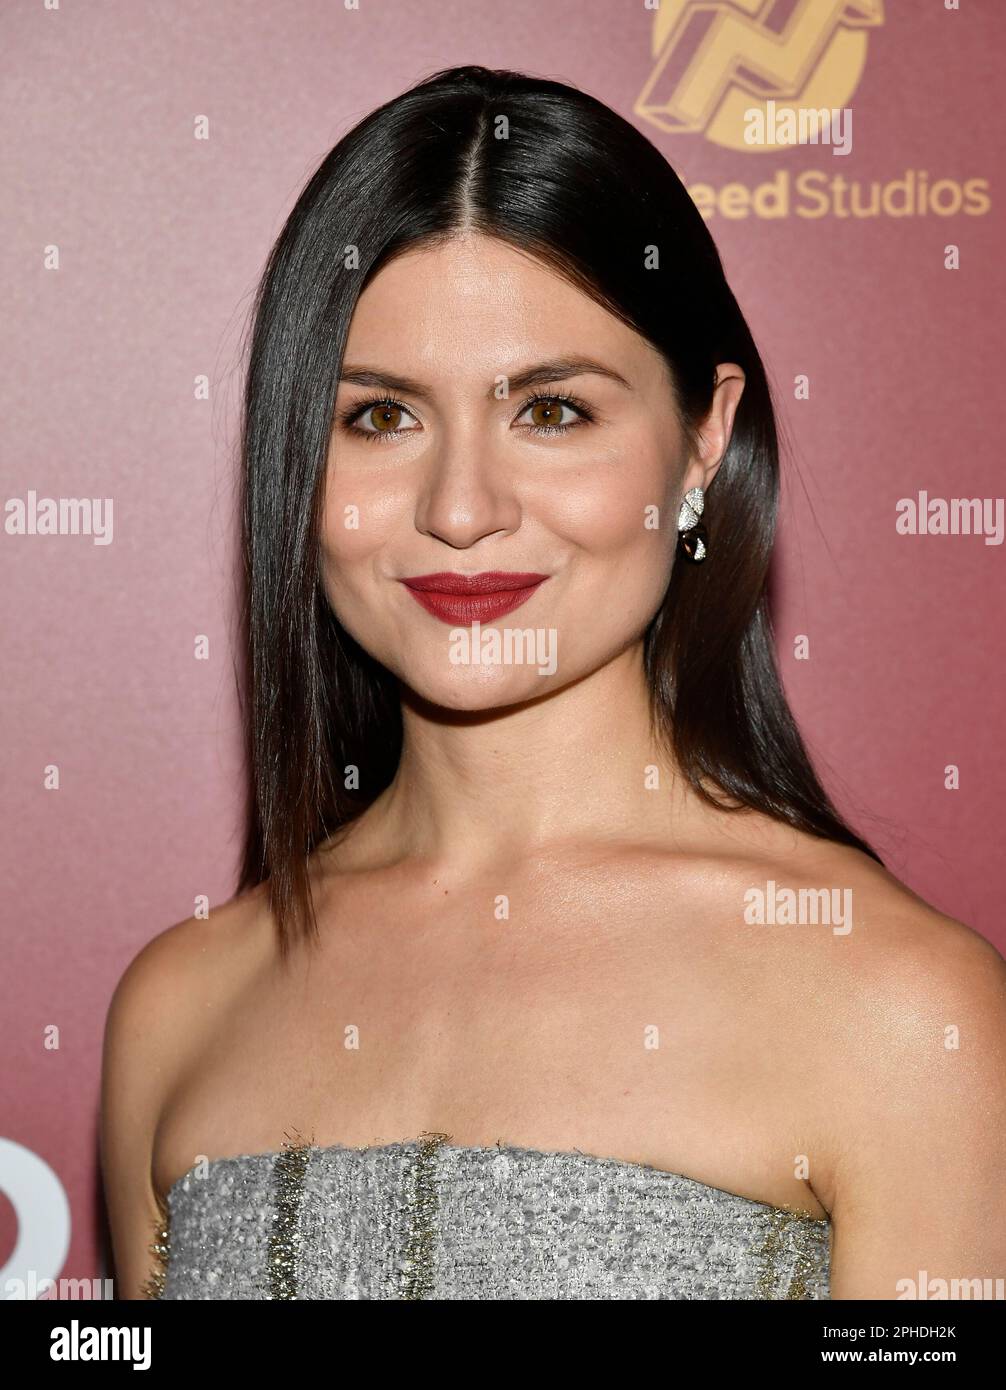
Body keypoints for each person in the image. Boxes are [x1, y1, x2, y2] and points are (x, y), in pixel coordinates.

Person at [101, 64, 1006, 1301]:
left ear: (703, 436)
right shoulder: (183, 1005)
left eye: (550, 409)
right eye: (379, 419)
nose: (461, 509)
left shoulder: (903, 1009)